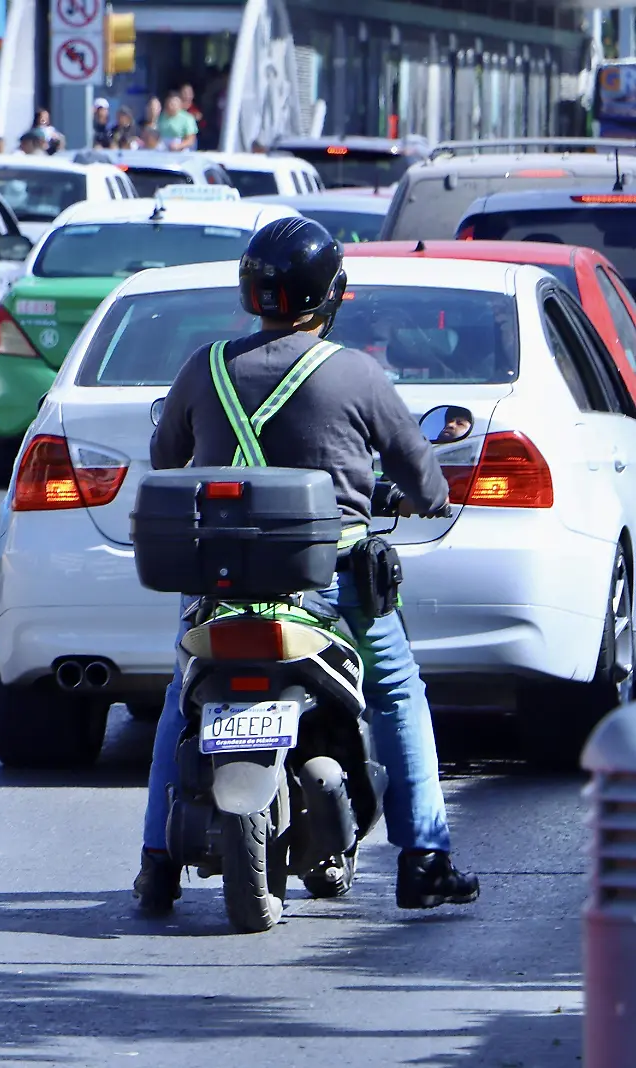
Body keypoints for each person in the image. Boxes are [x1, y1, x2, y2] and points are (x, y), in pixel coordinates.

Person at [136, 216, 482, 916]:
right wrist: (419, 497)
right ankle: (425, 858)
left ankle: (155, 867)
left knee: (180, 704)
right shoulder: (356, 373)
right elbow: (426, 485)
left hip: (219, 590)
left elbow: (167, 464)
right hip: (330, 589)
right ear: (331, 295)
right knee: (396, 693)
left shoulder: (204, 368)